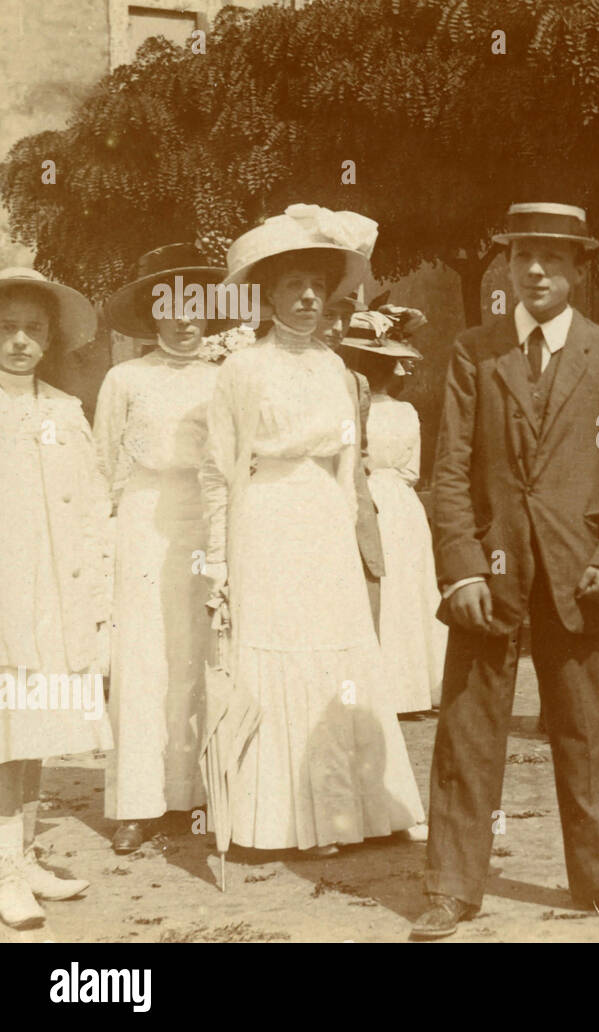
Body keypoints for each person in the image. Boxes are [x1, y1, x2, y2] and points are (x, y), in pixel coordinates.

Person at [413, 202, 599, 941]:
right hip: (491, 572)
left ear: (580, 268)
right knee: (468, 732)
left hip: (578, 574)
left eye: (553, 257)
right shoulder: (475, 350)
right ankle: (452, 888)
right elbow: (448, 470)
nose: (537, 270)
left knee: (583, 731)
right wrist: (460, 570)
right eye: (523, 257)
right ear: (507, 266)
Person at [198, 204, 425, 858]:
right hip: (266, 518)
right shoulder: (241, 370)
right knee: (278, 649)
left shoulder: (335, 367)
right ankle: (280, 821)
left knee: (336, 650)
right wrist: (218, 560)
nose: (305, 298)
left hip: (323, 520)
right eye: (292, 285)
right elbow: (219, 469)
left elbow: (348, 461)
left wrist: (353, 534)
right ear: (267, 293)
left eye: (316, 288)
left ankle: (347, 813)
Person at [95, 244, 238, 855]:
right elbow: (101, 467)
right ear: (153, 314)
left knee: (201, 653)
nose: (184, 320)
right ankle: (137, 802)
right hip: (143, 522)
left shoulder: (226, 378)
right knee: (144, 657)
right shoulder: (125, 378)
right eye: (170, 307)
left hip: (207, 521)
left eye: (196, 306)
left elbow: (236, 464)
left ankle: (197, 793)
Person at [0, 267, 111, 928]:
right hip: (4, 590)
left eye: (31, 331)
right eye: (6, 329)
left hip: (54, 590)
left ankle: (25, 851)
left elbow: (93, 504)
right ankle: (1, 866)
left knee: (34, 725)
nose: (18, 341)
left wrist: (95, 594)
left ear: (49, 339)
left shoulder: (65, 411)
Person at [339, 305, 447, 713]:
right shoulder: (407, 412)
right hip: (402, 504)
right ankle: (413, 688)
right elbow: (412, 471)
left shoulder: (351, 409)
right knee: (409, 590)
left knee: (380, 587)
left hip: (367, 497)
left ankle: (380, 685)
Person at [316, 290, 386, 629]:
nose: (338, 327)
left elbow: (361, 454)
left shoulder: (356, 383)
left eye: (345, 317)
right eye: (329, 315)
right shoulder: (273, 375)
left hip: (354, 522)